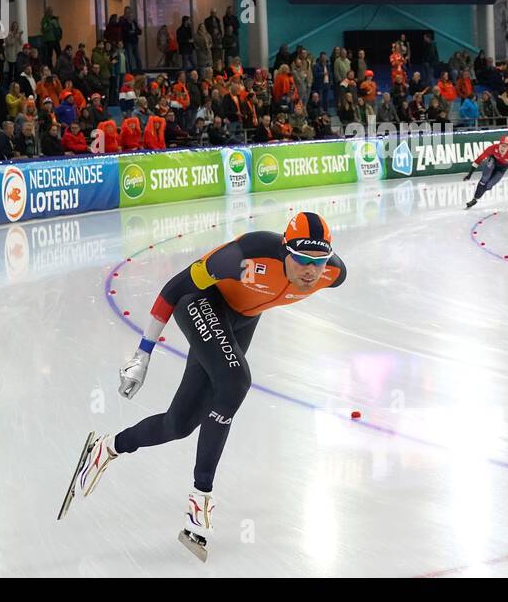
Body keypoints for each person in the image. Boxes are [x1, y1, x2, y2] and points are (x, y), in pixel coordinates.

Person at [65, 213, 347, 560]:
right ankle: (200, 499)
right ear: (285, 250)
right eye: (302, 260)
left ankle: (107, 448)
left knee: (179, 424)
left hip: (240, 322)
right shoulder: (247, 255)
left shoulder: (332, 274)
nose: (309, 271)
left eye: (317, 262)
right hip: (200, 303)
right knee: (235, 380)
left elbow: (317, 271)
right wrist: (143, 355)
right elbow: (174, 288)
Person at [463, 135, 508, 209]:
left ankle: (476, 199)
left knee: (488, 186)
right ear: (499, 144)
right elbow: (478, 160)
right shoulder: (492, 148)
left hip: (502, 168)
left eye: (506, 146)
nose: (503, 148)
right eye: (502, 145)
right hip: (493, 162)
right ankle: (474, 199)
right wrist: (469, 175)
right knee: (485, 178)